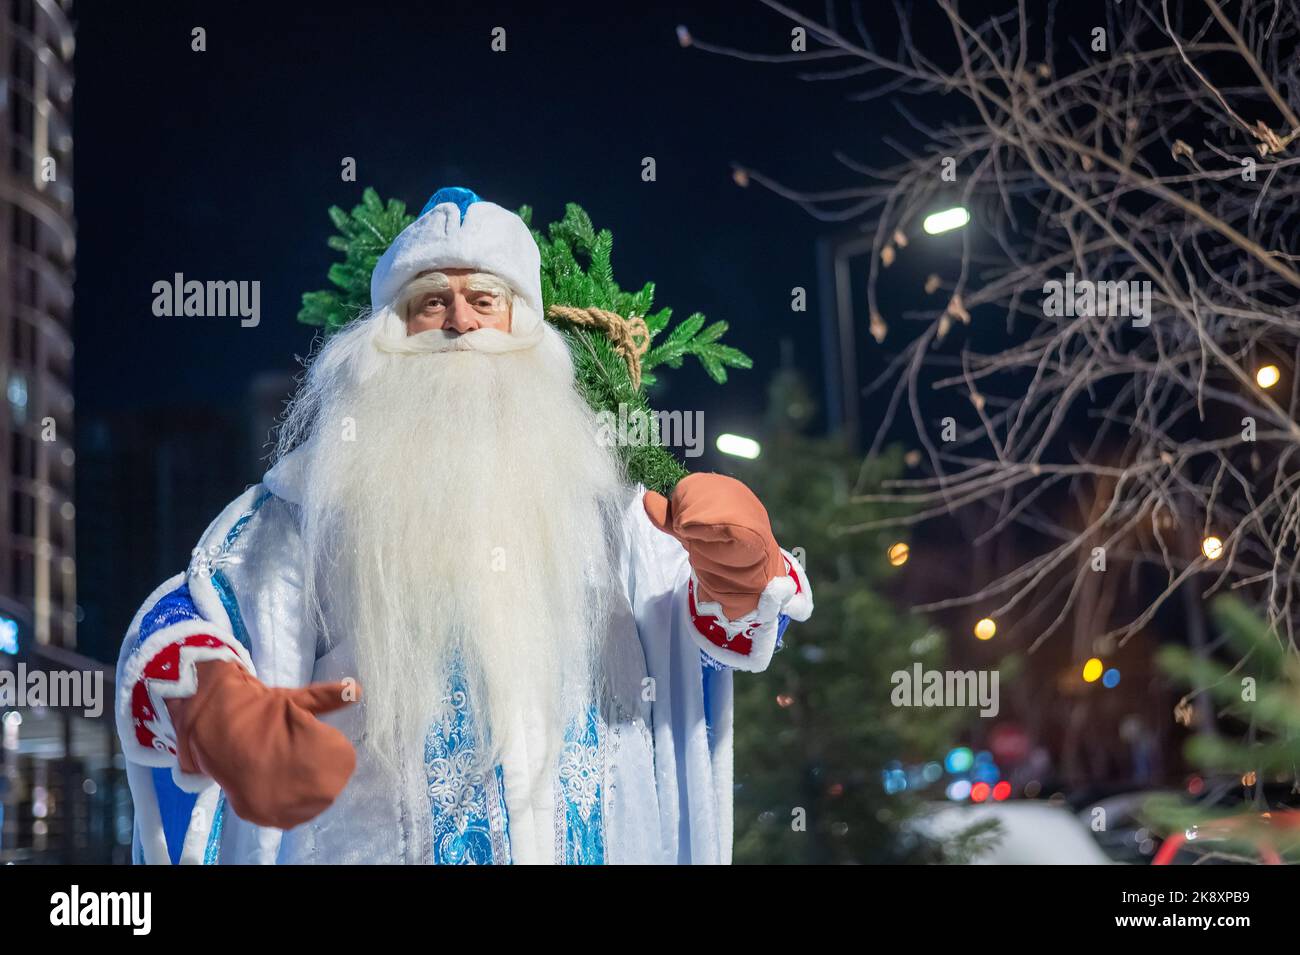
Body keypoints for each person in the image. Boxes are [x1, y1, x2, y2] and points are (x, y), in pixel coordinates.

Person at [116, 187, 812, 864]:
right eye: (430, 302)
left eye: (485, 299)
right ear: (386, 332)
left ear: (526, 328)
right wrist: (209, 696)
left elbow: (699, 639)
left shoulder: (606, 501)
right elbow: (207, 612)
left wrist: (743, 574)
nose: (459, 321)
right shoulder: (316, 501)